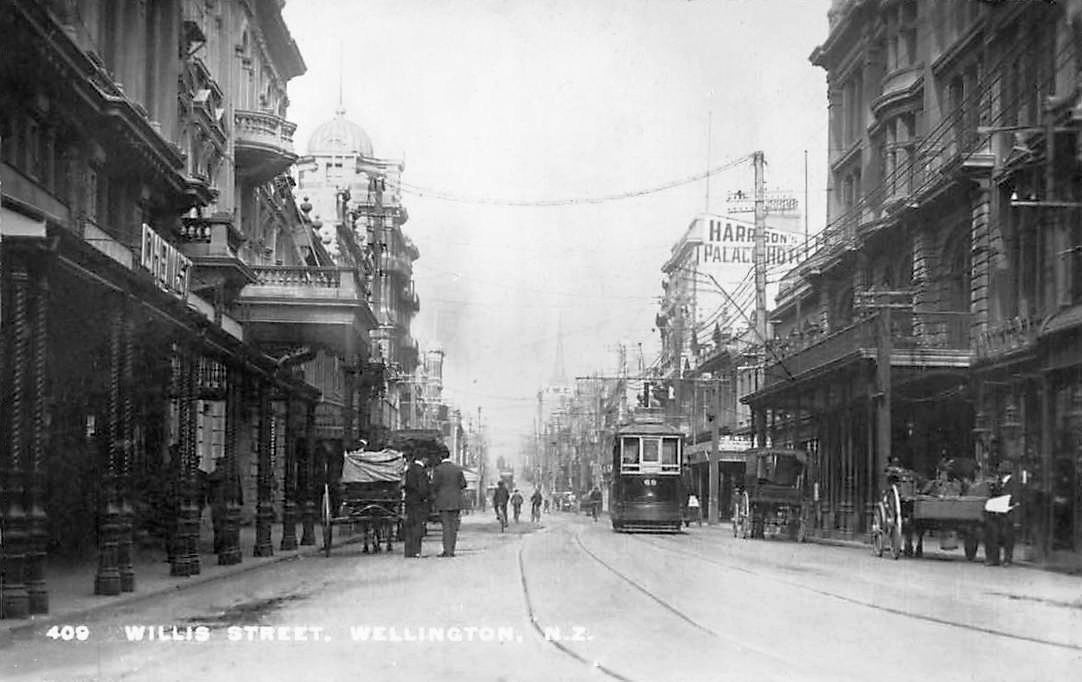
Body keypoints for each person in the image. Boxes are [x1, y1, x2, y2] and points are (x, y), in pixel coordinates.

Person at [429, 446, 467, 557]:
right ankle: (452, 550)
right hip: (456, 501)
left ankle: (447, 550)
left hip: (443, 501)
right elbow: (463, 484)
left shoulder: (438, 469)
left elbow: (434, 485)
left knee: (446, 527)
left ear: (441, 457)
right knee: (453, 527)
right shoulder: (457, 469)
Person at [984, 460, 1022, 566]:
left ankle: (1007, 559)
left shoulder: (1013, 484)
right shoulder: (999, 483)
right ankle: (994, 558)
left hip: (1008, 515)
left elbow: (1014, 499)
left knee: (1008, 538)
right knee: (993, 536)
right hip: (998, 514)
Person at [402, 453, 430, 558]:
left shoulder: (410, 469)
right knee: (418, 527)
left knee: (409, 526)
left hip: (409, 501)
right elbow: (423, 489)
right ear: (423, 458)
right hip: (419, 503)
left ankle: (408, 551)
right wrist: (426, 497)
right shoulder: (421, 471)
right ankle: (416, 551)